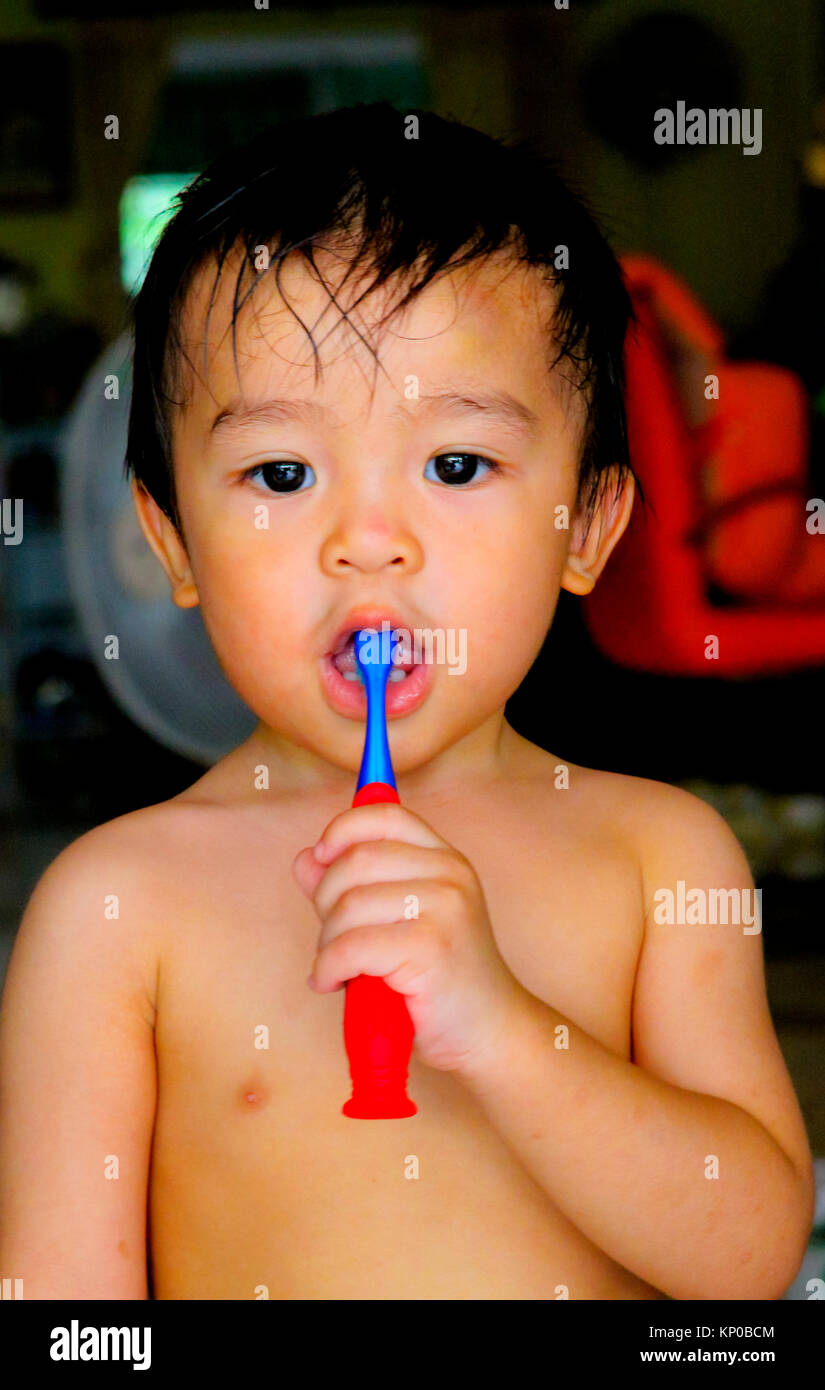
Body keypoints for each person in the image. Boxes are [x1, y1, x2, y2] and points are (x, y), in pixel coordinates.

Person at [0, 103, 813, 1300]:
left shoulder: (660, 858)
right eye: (282, 472)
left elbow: (748, 1262)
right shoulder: (115, 907)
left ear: (585, 524)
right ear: (170, 542)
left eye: (456, 464)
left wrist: (499, 1027)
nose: (368, 543)